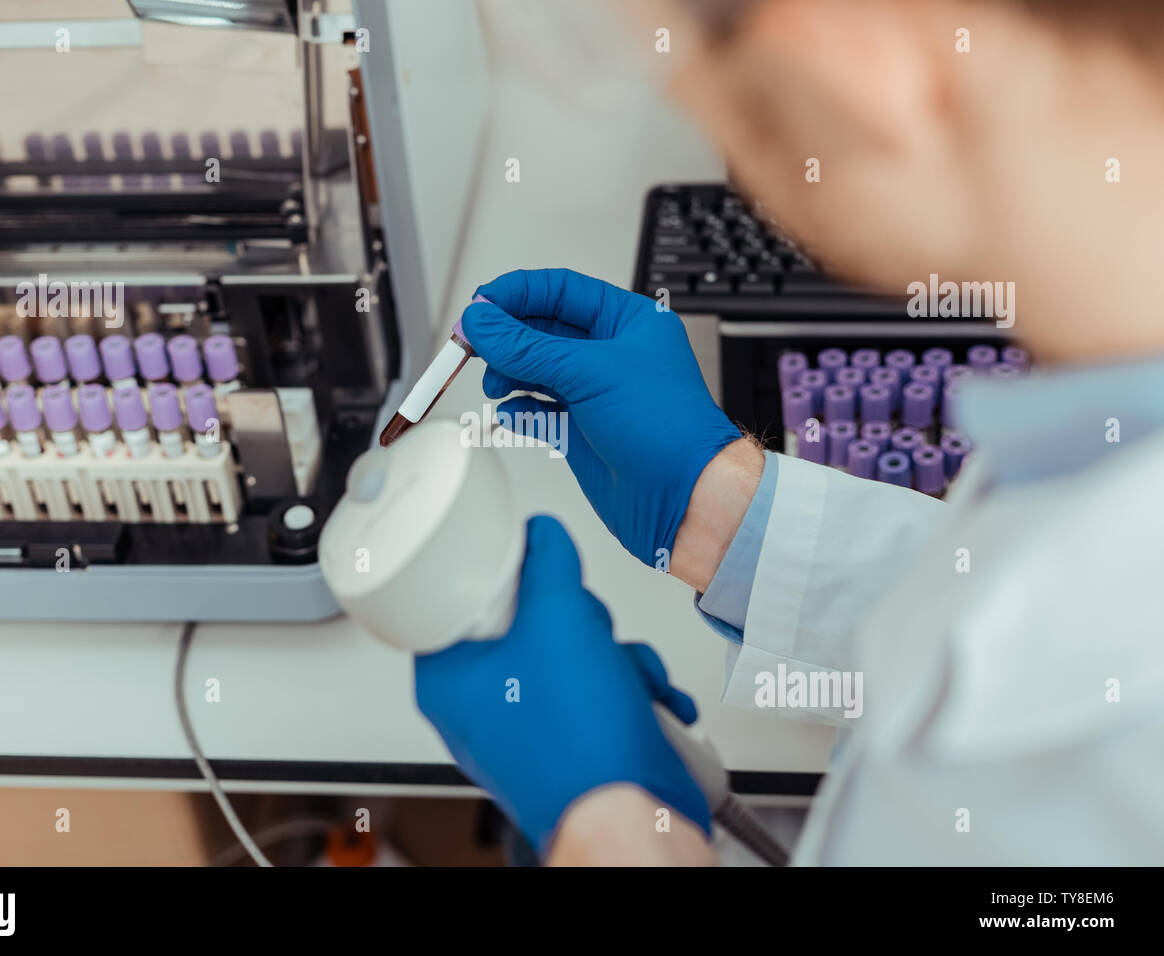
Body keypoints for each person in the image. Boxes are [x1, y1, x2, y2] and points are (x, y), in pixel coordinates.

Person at [414, 0, 1164, 864]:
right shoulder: (1101, 384)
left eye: (690, 70)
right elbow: (1024, 621)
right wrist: (728, 515)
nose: (729, 151)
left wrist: (609, 829)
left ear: (849, 55)